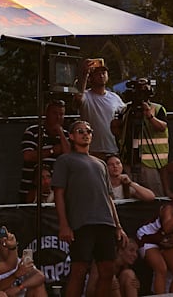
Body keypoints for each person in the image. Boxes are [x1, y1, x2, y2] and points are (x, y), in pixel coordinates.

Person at [53, 120, 127, 297]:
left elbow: (108, 196)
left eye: (88, 131)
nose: (85, 134)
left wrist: (118, 226)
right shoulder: (65, 160)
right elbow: (59, 194)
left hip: (105, 222)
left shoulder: (101, 163)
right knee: (79, 270)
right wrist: (64, 225)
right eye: (80, 131)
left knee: (107, 270)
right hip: (81, 222)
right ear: (71, 136)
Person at [112, 77, 173, 194]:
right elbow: (116, 130)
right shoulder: (126, 110)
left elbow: (162, 127)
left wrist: (150, 116)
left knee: (154, 195)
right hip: (129, 160)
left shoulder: (157, 108)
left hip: (151, 163)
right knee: (130, 194)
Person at [20, 100, 71, 203]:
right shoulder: (32, 131)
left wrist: (60, 133)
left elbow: (70, 158)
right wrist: (52, 151)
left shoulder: (66, 136)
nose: (58, 117)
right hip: (31, 191)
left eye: (61, 114)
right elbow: (28, 156)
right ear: (46, 114)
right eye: (55, 113)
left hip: (56, 193)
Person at [74, 58, 125, 158]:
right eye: (97, 73)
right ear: (90, 78)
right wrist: (84, 74)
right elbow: (78, 99)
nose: (101, 75)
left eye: (103, 73)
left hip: (112, 151)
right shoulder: (86, 96)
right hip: (91, 152)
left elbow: (125, 116)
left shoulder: (115, 98)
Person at [0, 230, 48, 297]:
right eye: (5, 244)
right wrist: (16, 274)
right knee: (0, 294)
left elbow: (40, 276)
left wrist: (20, 287)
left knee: (38, 286)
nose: (9, 246)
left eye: (13, 243)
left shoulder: (21, 262)